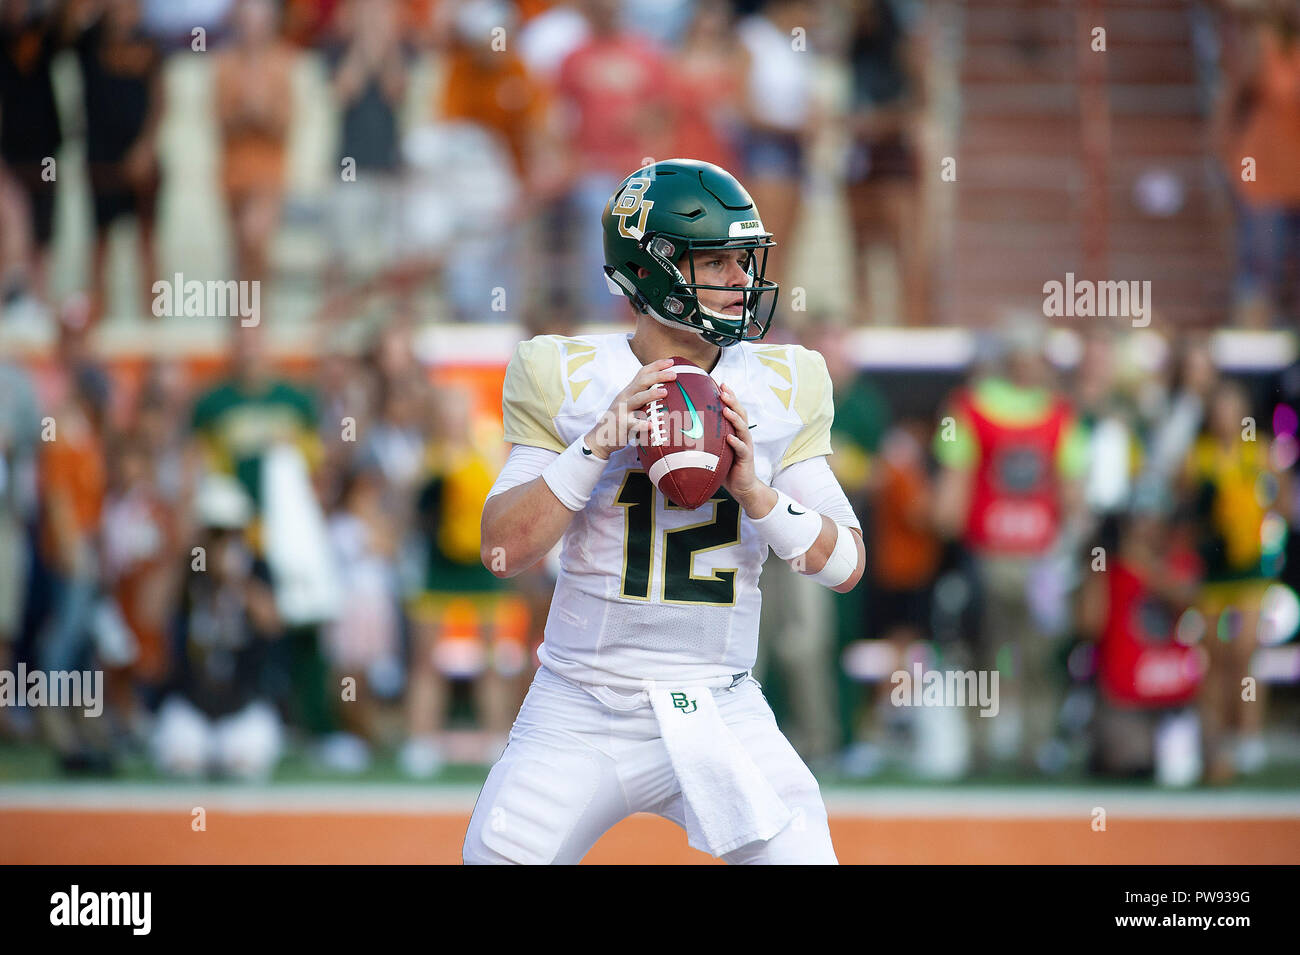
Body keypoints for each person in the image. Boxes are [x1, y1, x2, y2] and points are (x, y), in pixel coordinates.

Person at [463, 159, 866, 865]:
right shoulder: (565, 375)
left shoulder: (785, 381)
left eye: (745, 259)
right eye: (717, 261)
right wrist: (595, 445)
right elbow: (503, 549)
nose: (743, 279)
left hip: (720, 703)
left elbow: (843, 564)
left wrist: (758, 496)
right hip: (580, 703)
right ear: (650, 271)